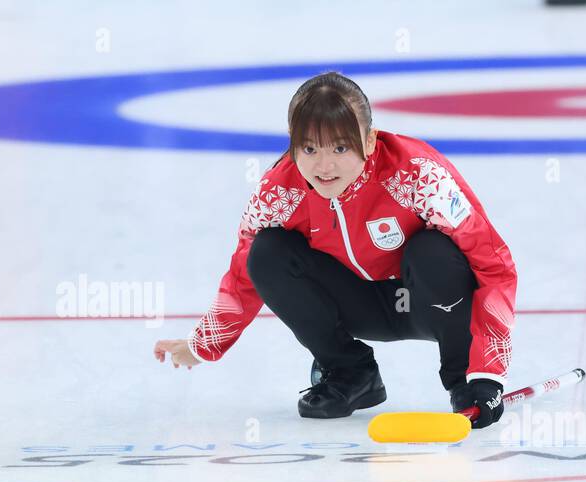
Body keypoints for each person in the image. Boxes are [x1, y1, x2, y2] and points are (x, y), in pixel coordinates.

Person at [153, 71, 517, 429]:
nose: (324, 166)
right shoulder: (279, 193)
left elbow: (494, 264)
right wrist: (202, 345)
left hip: (430, 302)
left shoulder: (417, 176)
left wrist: (486, 374)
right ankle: (350, 372)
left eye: (340, 148)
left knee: (433, 252)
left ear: (370, 140)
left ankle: (461, 381)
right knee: (265, 253)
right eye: (309, 148)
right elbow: (242, 276)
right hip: (359, 304)